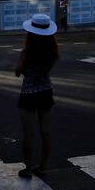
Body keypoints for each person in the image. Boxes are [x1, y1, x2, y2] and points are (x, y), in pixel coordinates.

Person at [15, 12, 59, 177]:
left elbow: (18, 72)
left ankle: (27, 168)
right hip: (46, 93)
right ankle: (43, 166)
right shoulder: (53, 52)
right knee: (45, 132)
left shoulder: (26, 52)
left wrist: (24, 67)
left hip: (28, 94)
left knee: (28, 134)